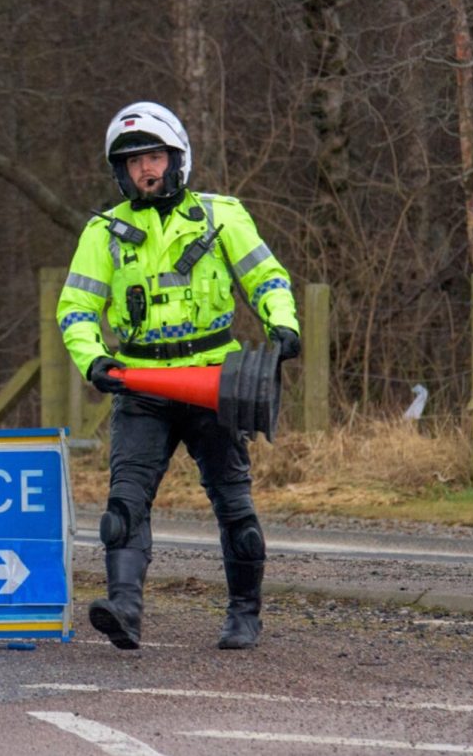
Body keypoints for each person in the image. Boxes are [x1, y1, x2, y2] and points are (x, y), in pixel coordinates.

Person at [56, 101, 300, 650]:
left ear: (177, 158)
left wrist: (282, 324)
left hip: (215, 380)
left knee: (234, 504)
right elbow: (76, 307)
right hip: (140, 385)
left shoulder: (221, 216)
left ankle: (244, 615)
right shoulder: (102, 232)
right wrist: (93, 359)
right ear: (121, 172)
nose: (146, 169)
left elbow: (266, 276)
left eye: (155, 157)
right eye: (134, 161)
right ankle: (124, 610)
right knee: (124, 506)